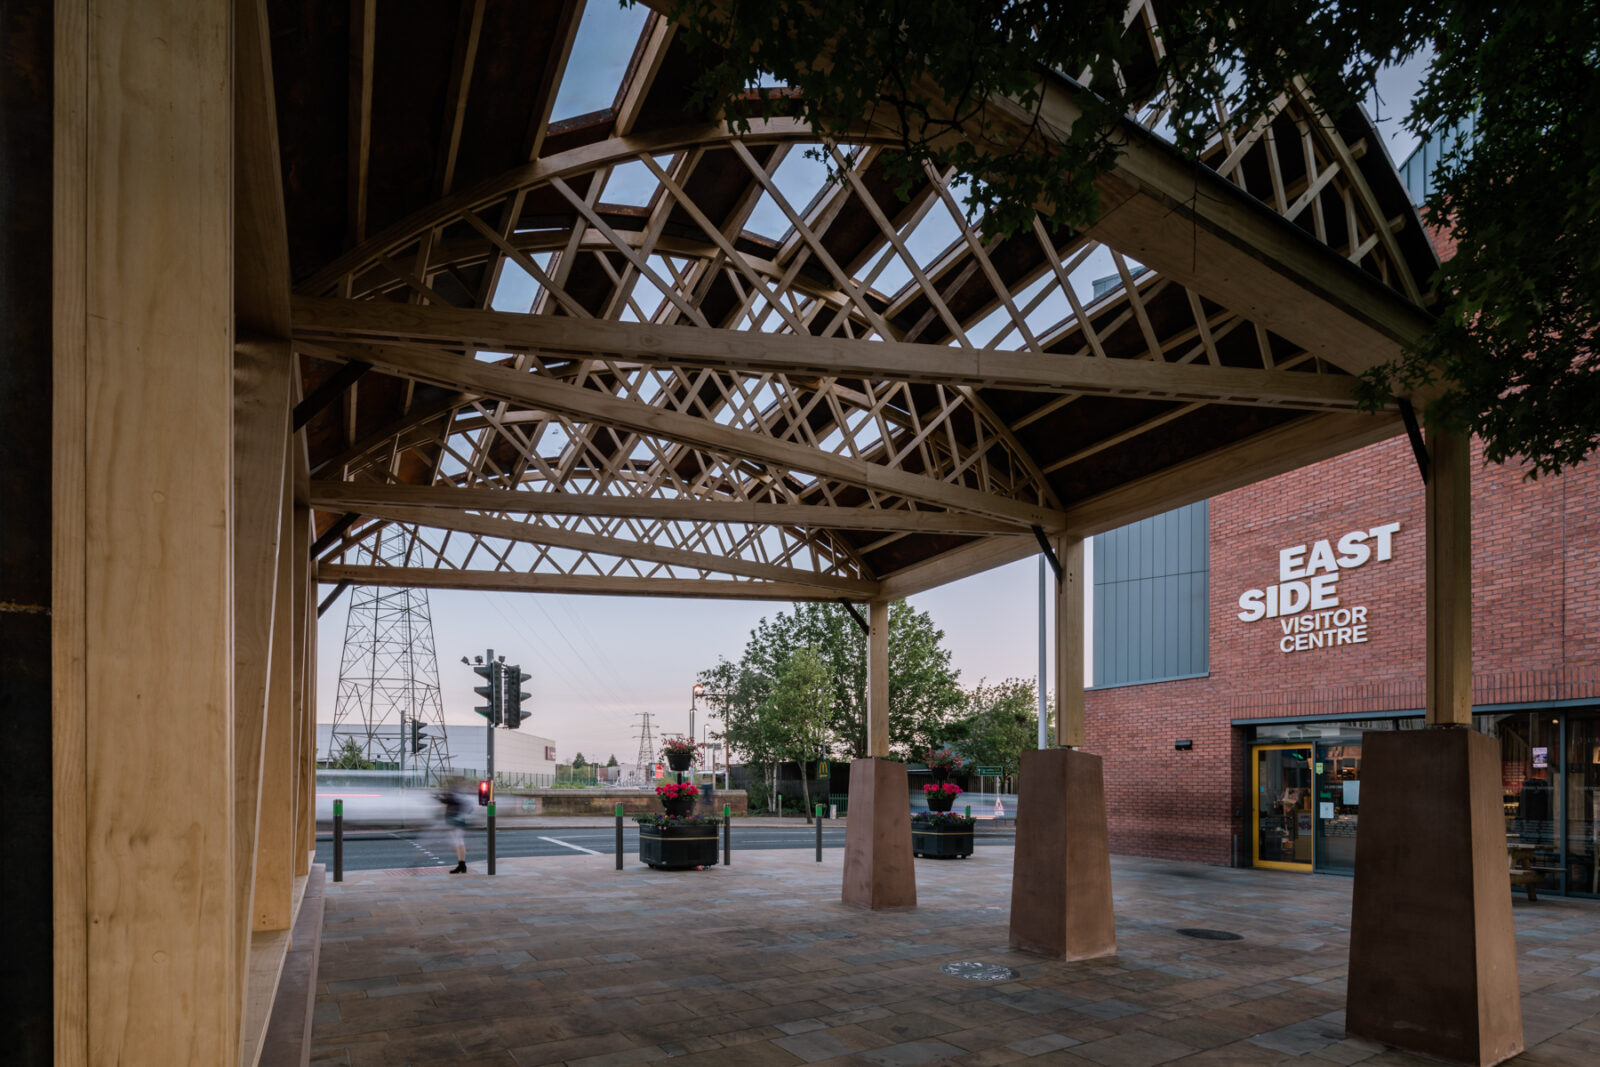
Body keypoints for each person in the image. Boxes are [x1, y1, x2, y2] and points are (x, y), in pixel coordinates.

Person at [436, 783, 468, 873]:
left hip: (456, 822)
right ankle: (461, 865)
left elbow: (450, 801)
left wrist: (440, 799)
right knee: (458, 842)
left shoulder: (456, 795)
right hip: (455, 821)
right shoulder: (456, 795)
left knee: (459, 842)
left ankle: (462, 865)